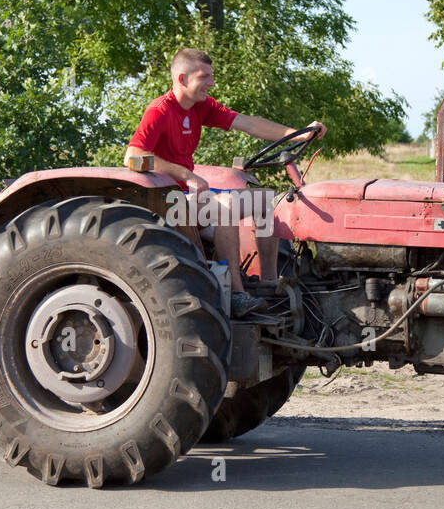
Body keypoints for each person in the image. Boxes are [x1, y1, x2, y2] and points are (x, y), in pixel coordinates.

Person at [124, 47, 325, 317]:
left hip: (190, 199)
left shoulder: (200, 107)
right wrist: (184, 174)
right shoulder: (160, 111)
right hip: (168, 200)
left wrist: (296, 135)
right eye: (204, 76)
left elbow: (248, 123)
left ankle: (269, 284)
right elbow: (132, 159)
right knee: (227, 204)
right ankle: (236, 295)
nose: (211, 82)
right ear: (182, 79)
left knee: (264, 201)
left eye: (211, 76)